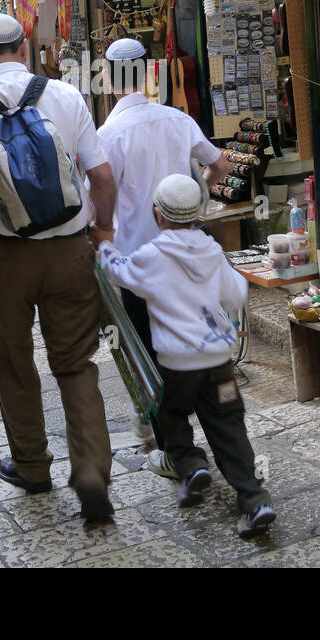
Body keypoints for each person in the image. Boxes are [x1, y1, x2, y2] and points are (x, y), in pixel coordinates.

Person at [0, 13, 119, 523]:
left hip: (6, 256)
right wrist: (101, 231)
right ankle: (90, 473)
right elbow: (101, 177)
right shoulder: (65, 97)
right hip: (70, 252)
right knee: (77, 364)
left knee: (15, 365)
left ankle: (33, 466)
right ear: (24, 48)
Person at [98, 174, 276, 539]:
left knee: (169, 412)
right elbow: (236, 293)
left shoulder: (152, 254)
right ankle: (255, 499)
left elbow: (120, 273)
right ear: (198, 215)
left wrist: (104, 247)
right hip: (219, 366)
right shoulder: (212, 251)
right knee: (229, 428)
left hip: (176, 365)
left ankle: (191, 464)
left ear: (158, 215)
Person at [97, 37, 230, 479]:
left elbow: (93, 201)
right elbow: (221, 163)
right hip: (186, 256)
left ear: (111, 81)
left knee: (150, 357)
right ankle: (219, 449)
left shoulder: (108, 135)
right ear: (149, 73)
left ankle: (178, 453)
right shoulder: (177, 119)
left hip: (139, 267)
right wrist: (202, 196)